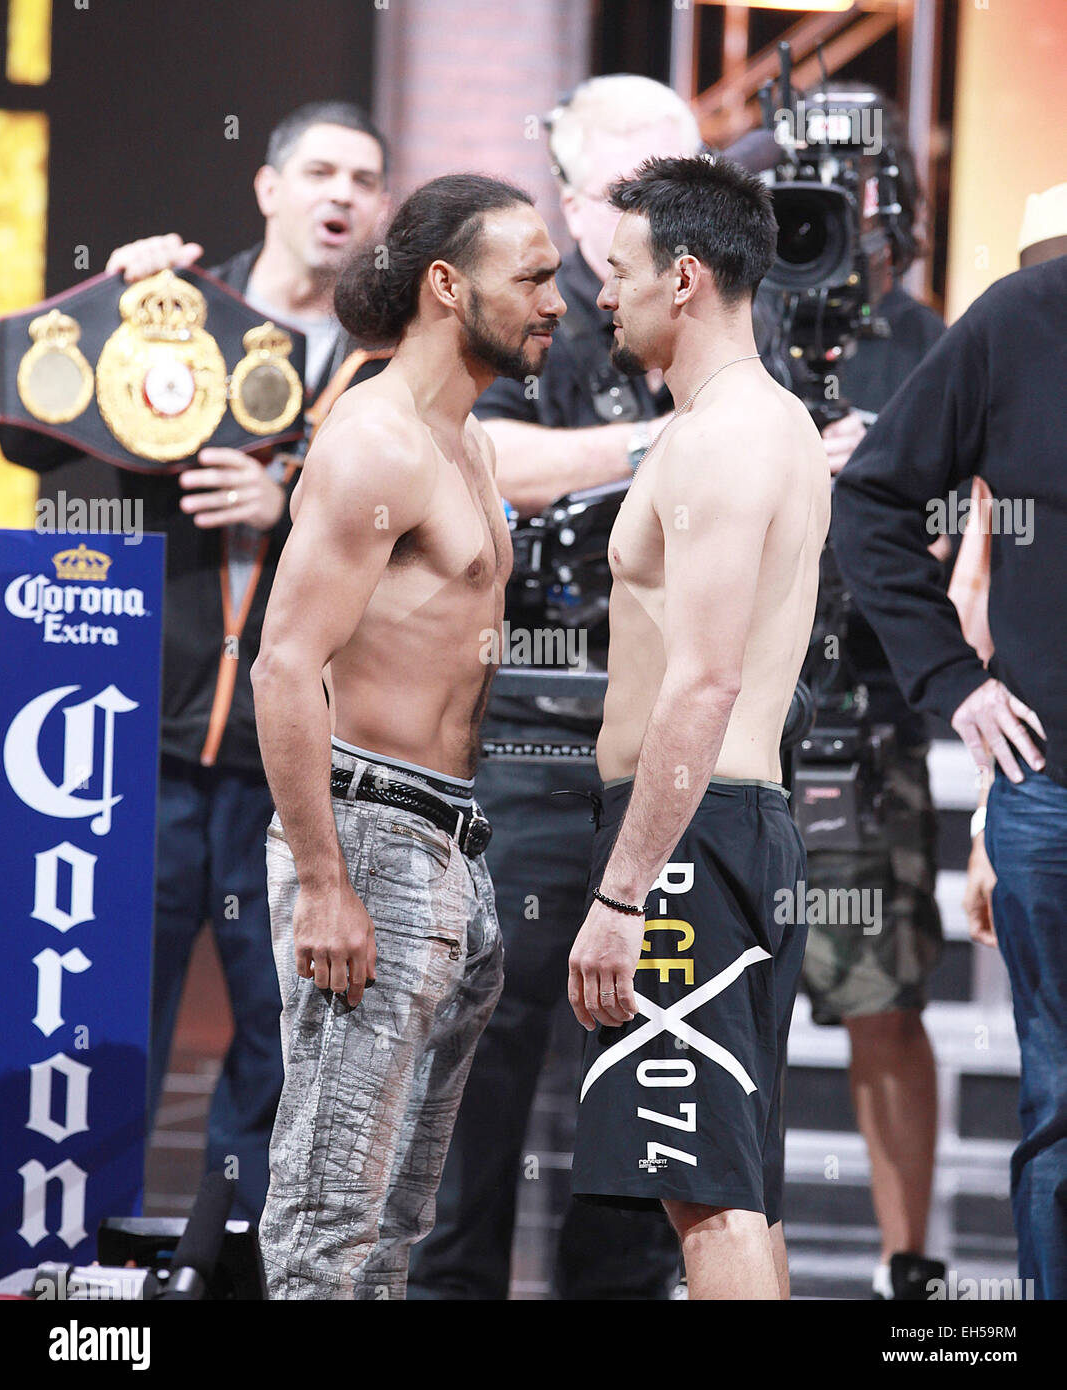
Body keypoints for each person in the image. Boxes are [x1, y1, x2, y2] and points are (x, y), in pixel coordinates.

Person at [0, 100, 390, 1221]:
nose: (341, 195)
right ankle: (73, 1244)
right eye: (319, 170)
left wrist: (299, 497)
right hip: (143, 740)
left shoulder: (390, 362)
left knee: (281, 1029)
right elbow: (24, 425)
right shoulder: (172, 312)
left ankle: (228, 1263)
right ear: (267, 188)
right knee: (107, 1010)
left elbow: (436, 524)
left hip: (296, 759)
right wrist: (101, 308)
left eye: (364, 180)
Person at [408, 74, 701, 1302]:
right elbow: (486, 453)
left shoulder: (721, 312)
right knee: (493, 1028)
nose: (665, 215)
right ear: (580, 200)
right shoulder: (526, 312)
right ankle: (448, 1285)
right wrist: (668, 440)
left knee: (647, 1044)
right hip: (527, 718)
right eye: (638, 190)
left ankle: (622, 1291)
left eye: (683, 186)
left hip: (669, 723)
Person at [251, 173, 567, 1300]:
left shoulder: (467, 443)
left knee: (395, 1222)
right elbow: (282, 665)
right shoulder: (375, 442)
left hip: (449, 842)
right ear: (448, 284)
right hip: (369, 837)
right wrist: (329, 882)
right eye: (531, 276)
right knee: (329, 1218)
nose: (556, 301)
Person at [565, 153, 829, 1301]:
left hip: (686, 845)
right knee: (736, 1194)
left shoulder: (727, 436)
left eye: (618, 271)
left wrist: (624, 894)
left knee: (710, 1203)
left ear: (682, 278)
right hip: (719, 830)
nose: (602, 295)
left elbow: (705, 679)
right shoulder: (750, 423)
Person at [832, 241, 1067, 1299]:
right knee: (1062, 1102)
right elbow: (874, 501)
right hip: (1052, 791)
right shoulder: (1021, 318)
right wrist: (953, 681)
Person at [788, 84, 949, 1301]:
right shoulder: (731, 317)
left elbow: (983, 527)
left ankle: (911, 1264)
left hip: (869, 715)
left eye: (860, 174)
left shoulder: (937, 341)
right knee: (706, 1003)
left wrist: (884, 460)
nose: (841, 199)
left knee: (881, 998)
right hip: (729, 707)